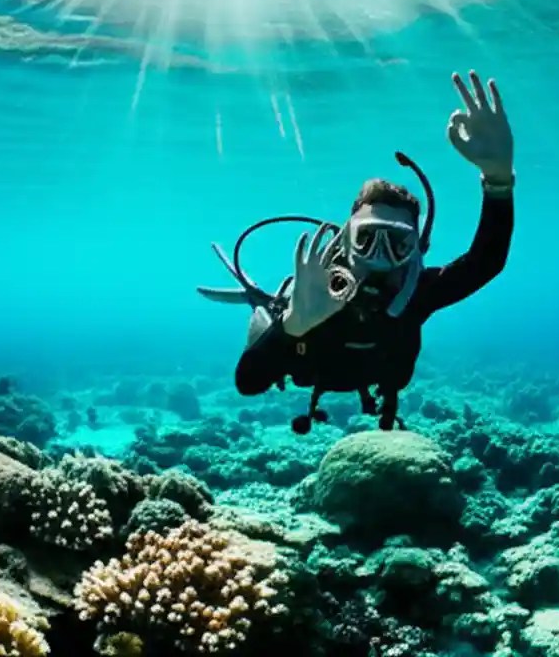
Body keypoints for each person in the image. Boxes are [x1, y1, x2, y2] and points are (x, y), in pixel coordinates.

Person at [199, 70, 515, 433]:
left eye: (398, 243)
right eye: (366, 239)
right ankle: (259, 302)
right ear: (345, 240)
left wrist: (499, 180)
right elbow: (248, 383)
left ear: (416, 249)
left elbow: (486, 261)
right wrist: (293, 325)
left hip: (375, 376)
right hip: (309, 363)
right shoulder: (314, 294)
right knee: (271, 319)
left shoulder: (417, 293)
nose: (380, 258)